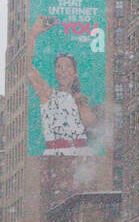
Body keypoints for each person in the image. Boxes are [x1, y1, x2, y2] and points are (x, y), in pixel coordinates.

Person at [28, 15, 97, 155]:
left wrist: (81, 104)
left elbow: (90, 125)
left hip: (82, 156)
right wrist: (33, 34)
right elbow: (26, 67)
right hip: (57, 155)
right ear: (55, 72)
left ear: (75, 73)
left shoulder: (80, 99)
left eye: (67, 66)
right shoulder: (48, 94)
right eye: (59, 66)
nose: (63, 70)